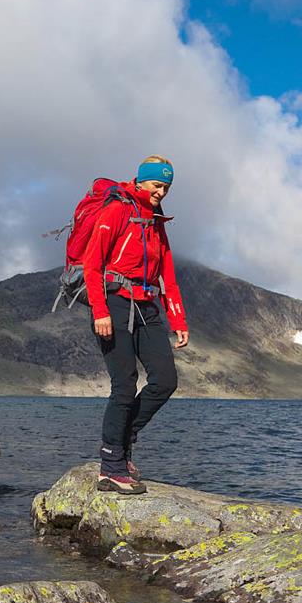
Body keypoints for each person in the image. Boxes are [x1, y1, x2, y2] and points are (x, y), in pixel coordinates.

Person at [83, 156, 188, 494]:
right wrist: (100, 310)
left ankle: (125, 437)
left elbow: (167, 275)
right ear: (141, 181)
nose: (161, 192)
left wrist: (178, 319)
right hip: (113, 302)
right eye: (157, 185)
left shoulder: (156, 221)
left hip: (146, 305)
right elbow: (92, 263)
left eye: (166, 187)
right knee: (124, 385)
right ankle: (111, 466)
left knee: (165, 380)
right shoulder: (117, 210)